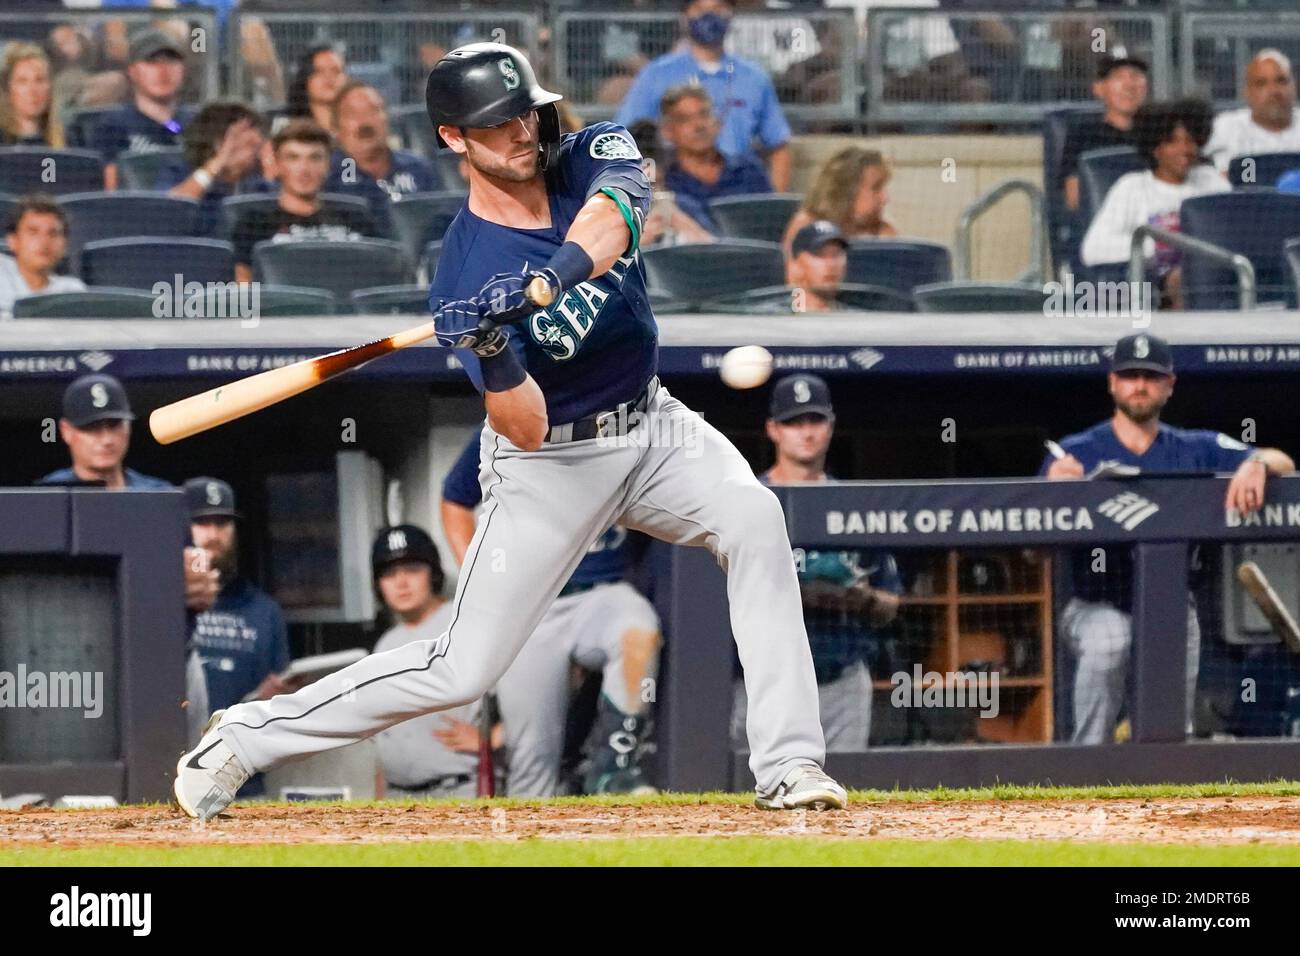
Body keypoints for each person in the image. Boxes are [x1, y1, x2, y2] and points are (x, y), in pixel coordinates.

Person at [175, 42, 845, 821]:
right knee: (460, 668)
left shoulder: (588, 151)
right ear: (453, 137)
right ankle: (244, 737)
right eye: (498, 124)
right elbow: (525, 428)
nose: (522, 133)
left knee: (755, 518)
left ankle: (788, 764)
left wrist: (549, 278)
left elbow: (616, 217)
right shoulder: (463, 273)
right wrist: (492, 349)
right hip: (552, 463)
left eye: (527, 113)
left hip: (654, 423)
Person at [1041, 333, 1295, 745]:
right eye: (1130, 376)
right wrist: (1054, 492)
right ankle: (1086, 764)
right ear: (1112, 383)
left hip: (1171, 604)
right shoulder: (1075, 452)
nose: (1139, 385)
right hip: (1094, 604)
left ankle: (1164, 775)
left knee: (1171, 730)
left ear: (1169, 385)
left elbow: (1282, 459)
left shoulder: (1193, 448)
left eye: (1151, 376)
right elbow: (1032, 552)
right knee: (1111, 641)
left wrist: (1255, 464)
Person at [441, 427, 661, 796]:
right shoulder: (510, 424)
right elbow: (455, 500)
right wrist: (478, 577)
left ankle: (613, 768)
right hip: (529, 605)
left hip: (600, 594)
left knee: (637, 627)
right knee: (533, 762)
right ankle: (533, 831)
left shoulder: (629, 422)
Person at [733, 374, 901, 752]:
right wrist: (796, 591)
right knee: (750, 785)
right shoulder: (746, 500)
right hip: (761, 681)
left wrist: (859, 599)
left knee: (842, 784)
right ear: (773, 430)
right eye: (794, 422)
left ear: (830, 426)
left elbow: (891, 604)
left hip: (840, 679)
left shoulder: (854, 506)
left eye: (815, 420)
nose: (806, 432)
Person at [34, 374, 221, 615]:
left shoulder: (160, 496)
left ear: (128, 427)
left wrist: (199, 578)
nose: (106, 439)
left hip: (144, 618)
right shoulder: (47, 495)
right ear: (66, 431)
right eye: (92, 427)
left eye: (114, 425)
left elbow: (194, 559)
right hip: (71, 618)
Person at [185, 477, 295, 797]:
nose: (213, 534)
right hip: (170, 773)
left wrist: (274, 699)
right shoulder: (160, 603)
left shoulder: (264, 610)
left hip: (243, 780)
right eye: (202, 523)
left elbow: (282, 705)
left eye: (222, 524)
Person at [616, 0, 793, 191]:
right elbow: (627, 139)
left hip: (738, 184)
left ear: (731, 14)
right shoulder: (655, 75)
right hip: (677, 185)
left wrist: (774, 203)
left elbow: (779, 145)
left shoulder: (754, 77)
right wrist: (650, 188)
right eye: (700, 9)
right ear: (685, 17)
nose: (709, 16)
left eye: (718, 8)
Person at [368, 525, 488, 800]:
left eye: (412, 569)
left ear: (432, 573)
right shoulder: (385, 644)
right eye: (389, 574)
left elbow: (532, 691)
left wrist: (492, 738)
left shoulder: (463, 624)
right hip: (397, 795)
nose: (401, 583)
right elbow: (383, 737)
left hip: (457, 790)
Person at [1079, 99, 1229, 307]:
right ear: (1155, 148)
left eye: (1190, 140)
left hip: (1213, 275)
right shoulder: (1131, 187)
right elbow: (1092, 249)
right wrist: (1156, 245)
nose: (1184, 149)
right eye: (1172, 142)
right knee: (1182, 279)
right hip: (1152, 285)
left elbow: (1234, 232)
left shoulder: (1210, 181)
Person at [229, 119, 377, 283]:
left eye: (315, 158)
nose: (304, 169)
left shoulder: (357, 220)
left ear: (328, 165)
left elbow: (379, 280)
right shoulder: (253, 224)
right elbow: (244, 289)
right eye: (293, 158)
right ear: (278, 164)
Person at [326, 80, 439, 238]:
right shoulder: (326, 177)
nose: (364, 122)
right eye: (352, 114)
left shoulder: (419, 169)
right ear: (336, 127)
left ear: (387, 118)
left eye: (373, 111)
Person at [658, 85, 772, 234]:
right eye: (685, 119)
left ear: (718, 122)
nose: (699, 125)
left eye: (704, 115)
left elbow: (772, 222)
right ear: (667, 131)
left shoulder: (749, 170)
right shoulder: (663, 182)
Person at [90, 29, 192, 190]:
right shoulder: (113, 126)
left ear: (183, 69)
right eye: (152, 62)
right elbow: (110, 192)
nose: (163, 71)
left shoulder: (196, 124)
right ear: (132, 71)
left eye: (171, 61)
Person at [157, 101, 273, 237]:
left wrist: (272, 171)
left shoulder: (256, 182)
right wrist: (217, 163)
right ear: (219, 144)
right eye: (250, 145)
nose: (257, 153)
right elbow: (167, 211)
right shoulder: (179, 171)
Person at [1060, 53, 1149, 212]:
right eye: (1118, 77)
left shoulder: (1160, 132)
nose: (1129, 85)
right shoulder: (1083, 135)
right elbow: (1073, 200)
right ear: (1099, 89)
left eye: (1135, 76)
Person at [781, 147, 896, 256]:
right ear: (846, 190)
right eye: (876, 188)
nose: (885, 198)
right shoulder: (806, 227)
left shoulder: (883, 233)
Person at [1205, 49, 1300, 175]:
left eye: (1281, 81)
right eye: (1262, 83)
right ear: (1247, 92)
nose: (1273, 91)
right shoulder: (1223, 129)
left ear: (1294, 87)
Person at [0, 194, 85, 319]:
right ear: (12, 241)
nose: (44, 242)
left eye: (53, 233)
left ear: (65, 245)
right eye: (33, 232)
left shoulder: (72, 292)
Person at [0, 42, 64, 147]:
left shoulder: (70, 141)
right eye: (22, 81)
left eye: (40, 80)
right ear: (7, 88)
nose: (32, 91)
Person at [786, 220, 848, 312]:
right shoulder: (774, 316)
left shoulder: (858, 317)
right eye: (820, 254)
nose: (831, 264)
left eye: (836, 254)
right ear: (797, 265)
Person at [285, 44, 347, 134]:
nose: (329, 77)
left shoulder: (358, 126)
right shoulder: (286, 126)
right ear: (305, 78)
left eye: (336, 71)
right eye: (319, 71)